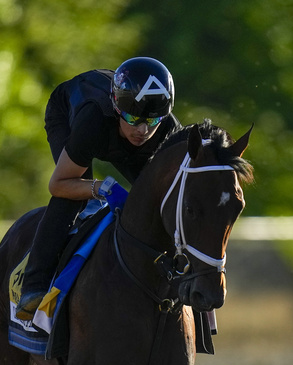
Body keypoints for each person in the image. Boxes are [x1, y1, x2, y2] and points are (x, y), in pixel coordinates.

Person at [14, 57, 180, 320]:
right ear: (117, 107)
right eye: (133, 117)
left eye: (153, 120)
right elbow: (58, 185)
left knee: (159, 198)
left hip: (111, 129)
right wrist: (101, 187)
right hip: (70, 116)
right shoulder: (94, 119)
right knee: (74, 197)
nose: (142, 130)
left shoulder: (166, 130)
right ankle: (33, 285)